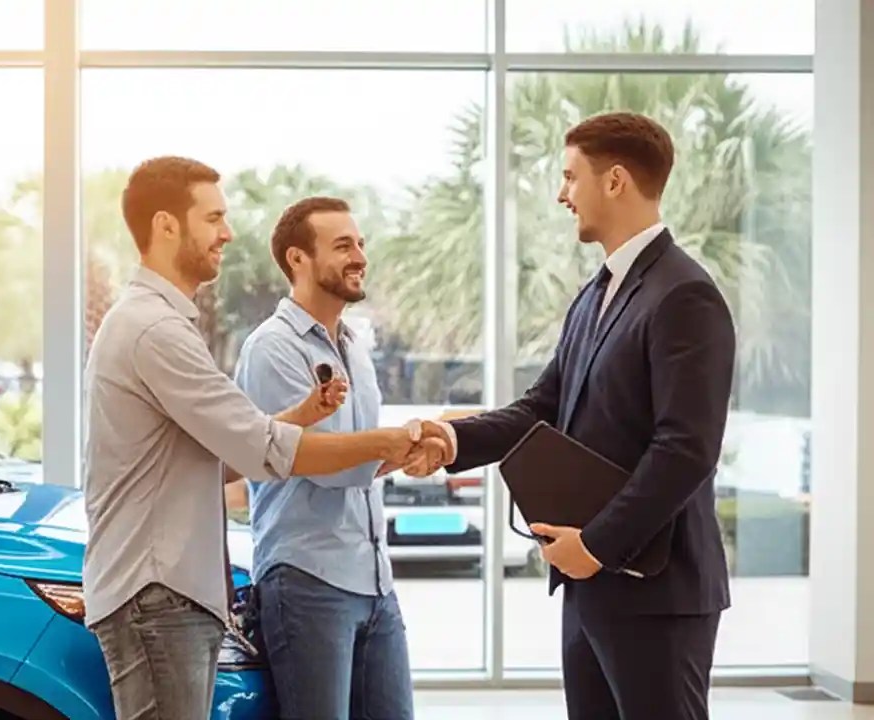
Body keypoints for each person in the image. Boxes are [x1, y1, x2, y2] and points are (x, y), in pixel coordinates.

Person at [416, 112, 735, 720]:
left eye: (569, 178)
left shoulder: (684, 294)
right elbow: (543, 409)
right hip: (591, 584)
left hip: (655, 588)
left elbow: (686, 448)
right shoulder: (595, 294)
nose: (562, 195)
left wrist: (598, 544)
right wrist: (451, 440)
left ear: (614, 181)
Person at [82, 156, 424, 720]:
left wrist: (302, 416)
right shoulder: (155, 329)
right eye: (213, 217)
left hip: (169, 593)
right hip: (159, 592)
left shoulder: (160, 324)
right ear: (167, 225)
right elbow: (260, 450)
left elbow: (225, 455)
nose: (227, 232)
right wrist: (387, 443)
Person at [230, 197, 448, 720]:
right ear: (297, 259)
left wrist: (417, 451)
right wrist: (391, 443)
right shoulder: (271, 348)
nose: (359, 257)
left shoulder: (352, 347)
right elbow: (306, 457)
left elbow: (358, 463)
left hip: (374, 581)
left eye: (360, 244)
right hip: (308, 583)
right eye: (343, 245)